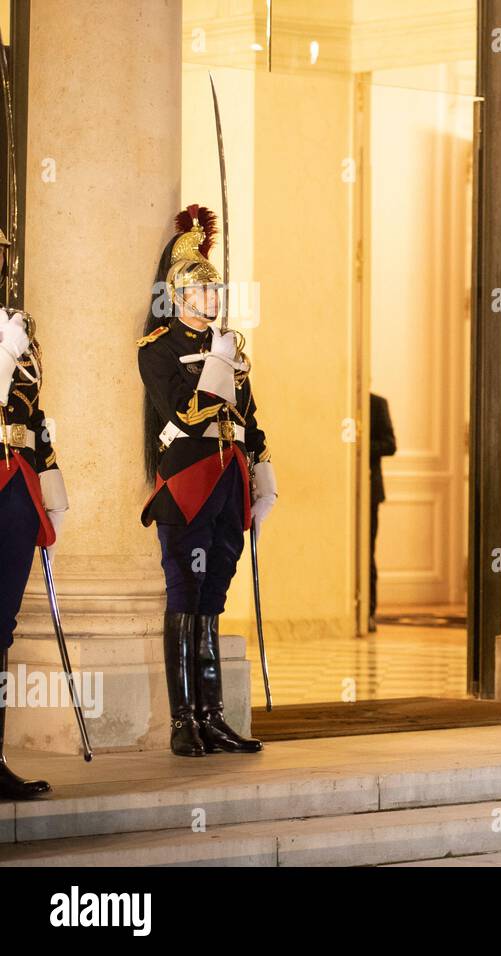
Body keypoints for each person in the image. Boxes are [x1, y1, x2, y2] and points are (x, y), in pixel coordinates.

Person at [138, 205, 277, 757]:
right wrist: (218, 365)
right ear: (178, 296)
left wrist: (263, 476)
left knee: (215, 595)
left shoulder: (229, 348)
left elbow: (249, 419)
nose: (214, 300)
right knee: (185, 591)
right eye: (203, 293)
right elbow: (183, 413)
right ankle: (183, 720)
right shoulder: (159, 349)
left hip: (229, 480)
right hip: (188, 480)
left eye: (217, 292)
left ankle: (214, 715)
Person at [0, 227, 67, 798]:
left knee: (2, 626)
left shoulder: (18, 326)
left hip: (15, 481)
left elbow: (33, 415)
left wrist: (51, 479)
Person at [368, 392, 397, 632]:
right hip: (350, 491)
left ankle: (369, 611)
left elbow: (390, 444)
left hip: (370, 489)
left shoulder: (377, 403)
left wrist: (362, 444)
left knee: (368, 552)